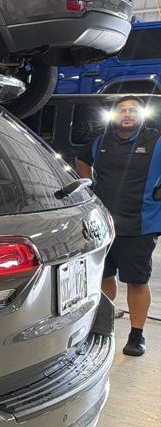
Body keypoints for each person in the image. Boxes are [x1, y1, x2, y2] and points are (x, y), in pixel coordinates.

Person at [76, 96, 161, 357]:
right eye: (121, 110)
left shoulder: (156, 141)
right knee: (103, 277)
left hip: (140, 225)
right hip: (103, 225)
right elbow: (81, 159)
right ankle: (102, 325)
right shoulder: (102, 142)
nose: (126, 114)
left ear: (142, 115)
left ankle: (136, 335)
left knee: (136, 281)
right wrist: (89, 187)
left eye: (133, 110)